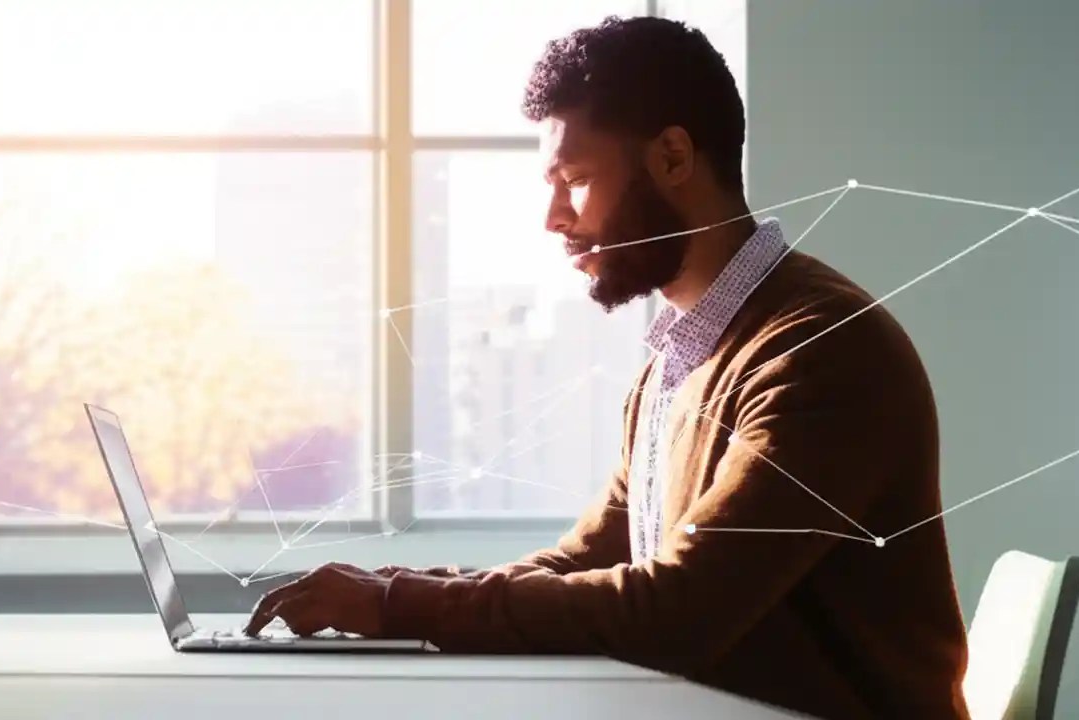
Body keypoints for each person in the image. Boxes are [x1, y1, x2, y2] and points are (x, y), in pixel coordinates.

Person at [246, 15, 971, 720]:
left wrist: (395, 604)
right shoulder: (678, 361)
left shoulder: (817, 351)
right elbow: (585, 561)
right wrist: (391, 591)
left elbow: (676, 611)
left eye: (577, 178)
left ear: (674, 158)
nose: (553, 217)